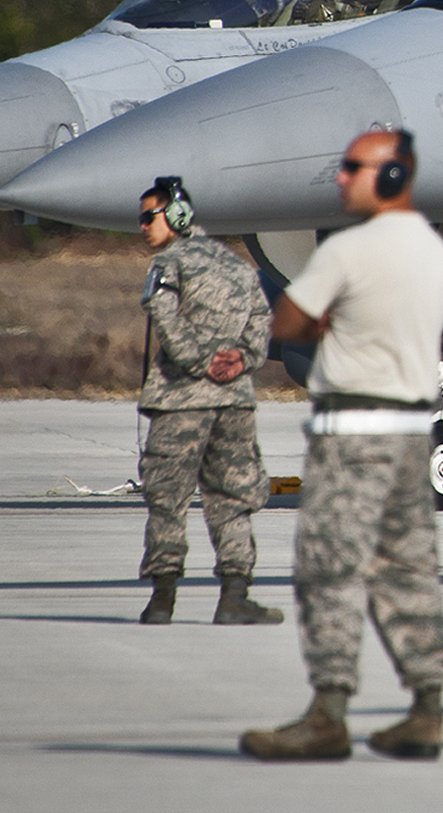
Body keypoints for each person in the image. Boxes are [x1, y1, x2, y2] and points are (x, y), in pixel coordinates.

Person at [239, 129, 443, 763]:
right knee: (408, 575)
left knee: (329, 571)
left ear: (391, 178)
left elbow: (287, 321)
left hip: (353, 435)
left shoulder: (352, 249)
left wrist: (328, 315)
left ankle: (328, 713)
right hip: (412, 436)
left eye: (353, 168)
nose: (341, 178)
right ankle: (427, 708)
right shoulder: (433, 252)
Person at [133, 176, 284, 627]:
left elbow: (162, 315)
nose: (142, 226)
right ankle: (234, 597)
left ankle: (162, 600)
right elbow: (261, 318)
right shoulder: (237, 266)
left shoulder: (169, 263)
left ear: (176, 216)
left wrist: (199, 362)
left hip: (181, 400)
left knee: (167, 497)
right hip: (234, 402)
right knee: (233, 499)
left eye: (148, 216)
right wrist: (240, 361)